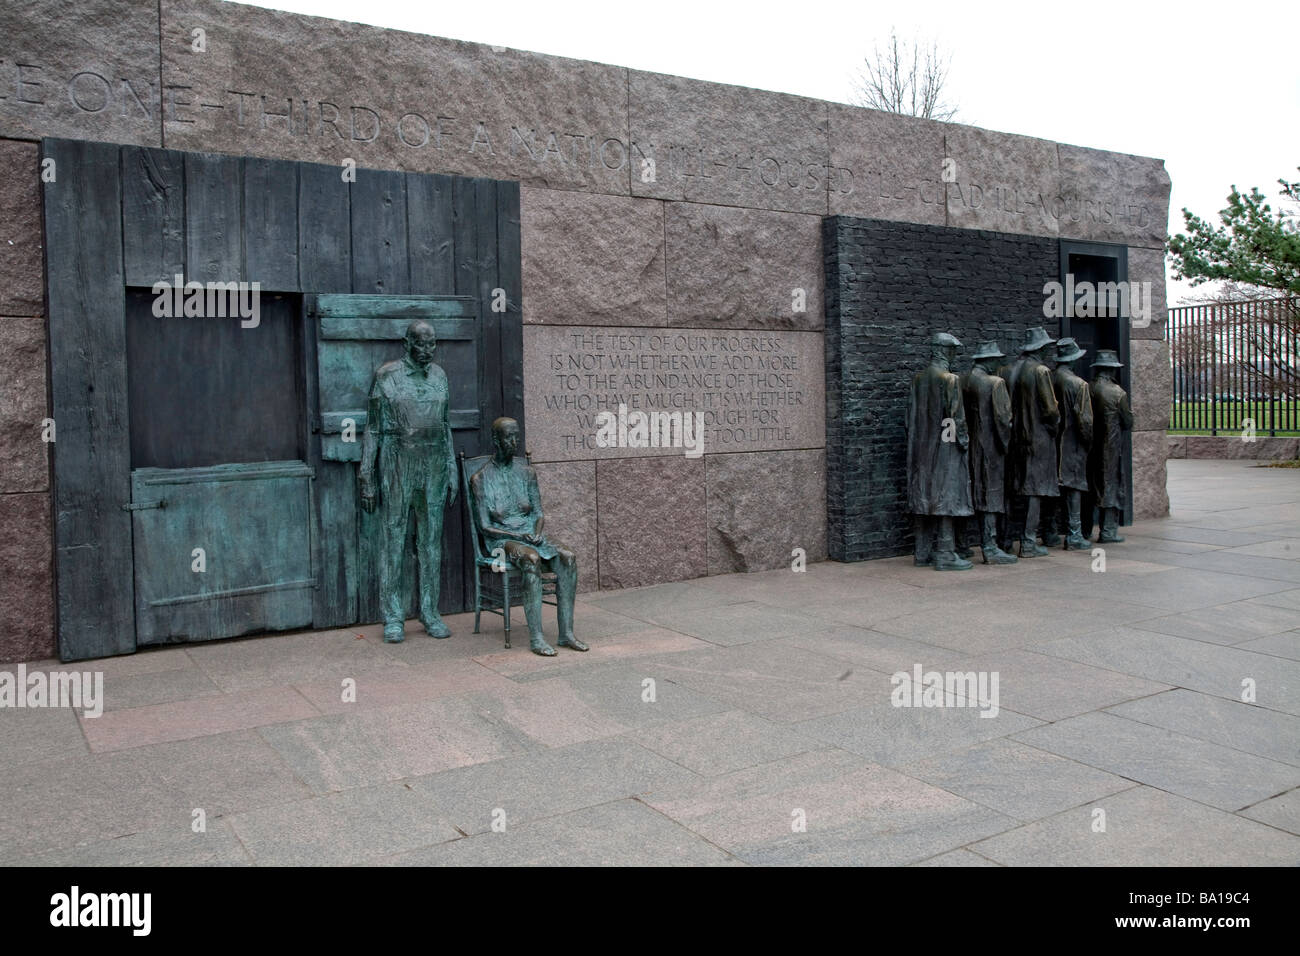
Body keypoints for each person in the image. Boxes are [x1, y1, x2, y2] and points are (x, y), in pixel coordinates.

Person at [359, 320, 458, 643]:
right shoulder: (387, 375)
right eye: (421, 344)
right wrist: (366, 476)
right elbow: (372, 428)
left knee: (430, 543)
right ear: (407, 344)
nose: (428, 351)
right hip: (397, 462)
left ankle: (430, 612)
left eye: (432, 344)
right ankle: (393, 616)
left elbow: (445, 426)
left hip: (433, 467)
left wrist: (451, 470)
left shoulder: (441, 376)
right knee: (394, 540)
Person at [472, 417, 586, 656]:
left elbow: (538, 513)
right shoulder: (481, 479)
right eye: (508, 437)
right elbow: (484, 527)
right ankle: (536, 638)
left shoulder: (527, 473)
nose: (514, 442)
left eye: (516, 436)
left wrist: (535, 531)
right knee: (531, 559)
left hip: (530, 535)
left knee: (568, 557)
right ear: (496, 440)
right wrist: (518, 534)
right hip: (500, 541)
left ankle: (566, 633)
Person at [906, 332, 974, 571]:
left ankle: (922, 553)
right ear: (944, 351)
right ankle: (945, 552)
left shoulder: (918, 379)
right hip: (946, 447)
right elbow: (957, 418)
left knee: (924, 496)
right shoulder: (949, 379)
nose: (954, 355)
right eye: (952, 350)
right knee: (946, 496)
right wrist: (964, 443)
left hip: (921, 449)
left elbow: (909, 419)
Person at [963, 341, 1017, 564]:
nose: (999, 363)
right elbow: (1004, 420)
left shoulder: (964, 379)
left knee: (972, 493)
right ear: (989, 361)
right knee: (991, 495)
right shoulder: (995, 383)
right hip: (991, 447)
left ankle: (962, 543)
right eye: (996, 359)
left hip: (969, 446)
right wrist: (1006, 445)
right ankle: (990, 546)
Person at [1010, 326, 1060, 557]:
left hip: (1018, 436)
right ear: (1040, 348)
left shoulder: (1015, 368)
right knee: (1035, 491)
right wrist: (1054, 427)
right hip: (1038, 437)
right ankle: (1028, 542)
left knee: (1019, 487)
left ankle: (1007, 539)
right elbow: (1050, 408)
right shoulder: (1040, 371)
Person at [1052, 337, 1093, 550]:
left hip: (1052, 441)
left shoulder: (1051, 377)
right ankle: (1074, 534)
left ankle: (1050, 531)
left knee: (1053, 486)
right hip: (1072, 442)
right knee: (1074, 486)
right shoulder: (1078, 384)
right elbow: (1085, 421)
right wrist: (1088, 442)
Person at [1090, 350, 1133, 544]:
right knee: (1110, 483)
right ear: (1110, 370)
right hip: (1111, 445)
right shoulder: (1117, 393)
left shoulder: (1088, 387)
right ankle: (1107, 530)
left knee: (1093, 483)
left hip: (1089, 445)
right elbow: (1128, 421)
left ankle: (1084, 529)